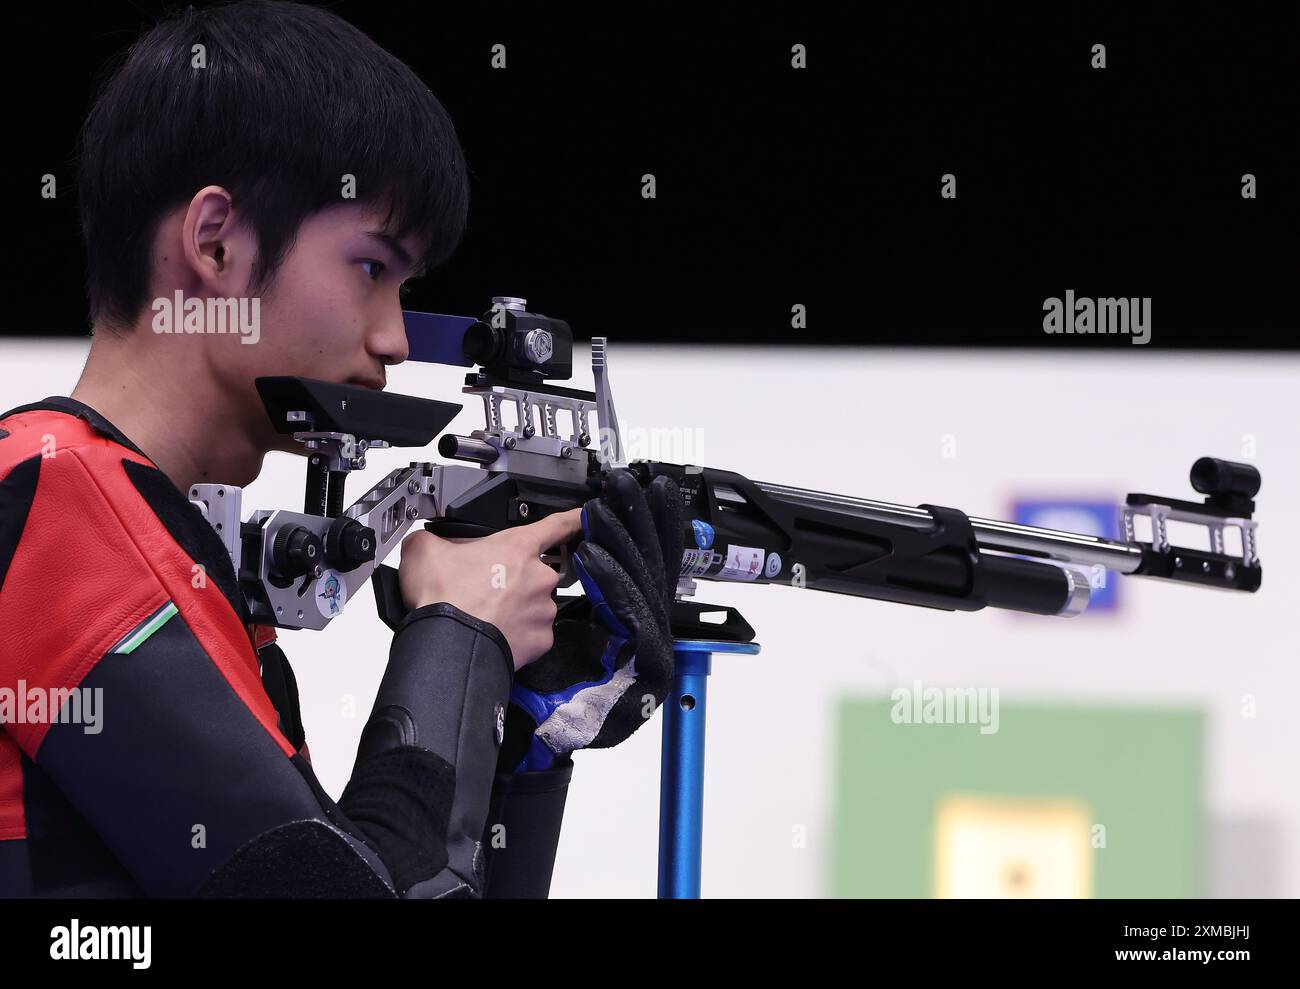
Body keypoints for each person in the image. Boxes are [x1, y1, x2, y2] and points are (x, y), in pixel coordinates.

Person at [0, 0, 681, 898]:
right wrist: (457, 638)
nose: (395, 339)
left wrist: (517, 738)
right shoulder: (52, 496)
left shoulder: (133, 524)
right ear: (215, 242)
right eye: (371, 267)